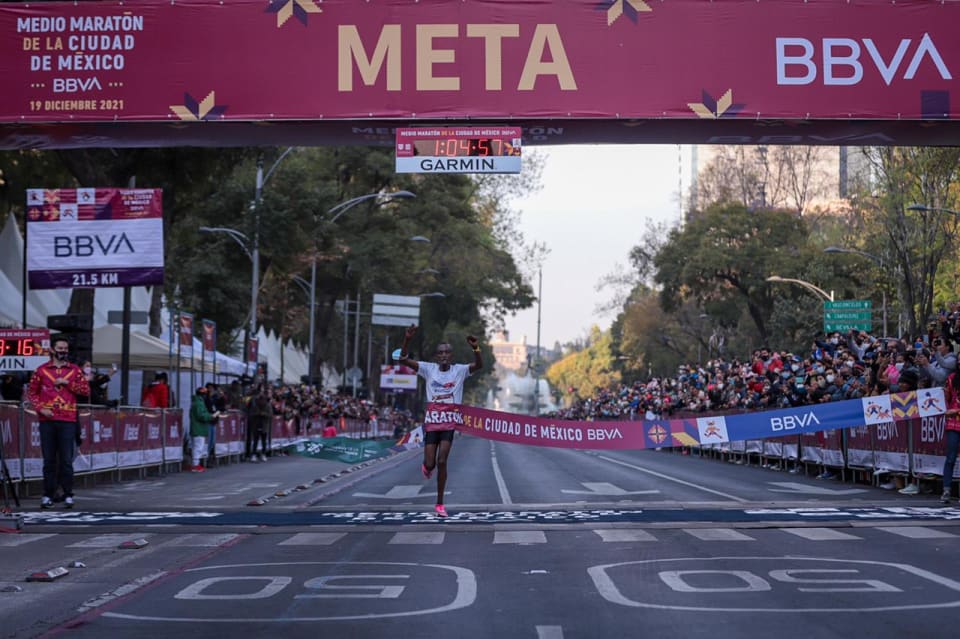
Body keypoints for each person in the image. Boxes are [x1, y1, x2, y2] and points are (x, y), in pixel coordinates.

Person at [397, 324, 482, 518]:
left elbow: (479, 366)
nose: (444, 355)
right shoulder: (428, 369)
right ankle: (427, 467)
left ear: (451, 356)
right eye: (441, 353)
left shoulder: (459, 371)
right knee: (430, 463)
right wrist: (407, 339)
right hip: (432, 423)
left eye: (447, 353)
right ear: (437, 356)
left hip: (449, 423)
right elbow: (403, 359)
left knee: (442, 460)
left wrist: (476, 348)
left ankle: (440, 503)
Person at [25, 336, 90, 509]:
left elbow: (85, 390)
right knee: (49, 460)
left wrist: (67, 383)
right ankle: (48, 495)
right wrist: (40, 408)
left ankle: (68, 494)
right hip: (47, 420)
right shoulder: (41, 371)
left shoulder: (75, 371)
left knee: (67, 460)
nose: (63, 351)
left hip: (68, 420)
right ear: (53, 350)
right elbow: (31, 393)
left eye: (65, 348)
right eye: (60, 348)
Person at [189, 387, 218, 473]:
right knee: (198, 447)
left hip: (197, 428)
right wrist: (211, 416)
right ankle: (195, 465)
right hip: (199, 428)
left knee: (196, 447)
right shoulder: (199, 403)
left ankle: (195, 464)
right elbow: (201, 415)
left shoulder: (197, 402)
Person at [941, 371, 960, 503]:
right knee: (950, 458)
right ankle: (946, 489)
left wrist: (957, 410)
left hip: (955, 414)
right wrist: (945, 393)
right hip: (954, 423)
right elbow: (948, 399)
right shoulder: (952, 377)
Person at [247, 385, 273, 462]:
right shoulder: (255, 406)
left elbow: (270, 415)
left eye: (262, 399)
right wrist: (257, 413)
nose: (261, 401)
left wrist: (263, 414)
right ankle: (254, 454)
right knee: (255, 440)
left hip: (264, 425)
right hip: (256, 424)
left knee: (264, 441)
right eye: (259, 399)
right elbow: (251, 414)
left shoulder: (268, 406)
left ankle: (263, 454)